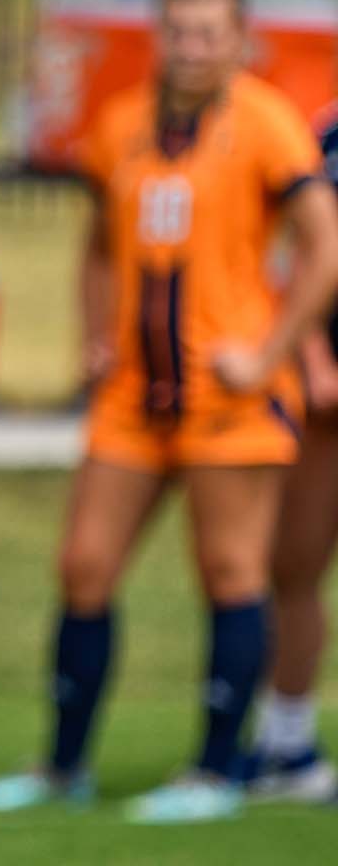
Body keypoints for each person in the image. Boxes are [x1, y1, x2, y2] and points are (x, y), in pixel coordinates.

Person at [0, 0, 338, 824]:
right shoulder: (121, 124)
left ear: (241, 41)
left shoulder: (268, 124)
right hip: (136, 395)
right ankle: (63, 768)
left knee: (231, 572)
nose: (194, 48)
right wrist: (96, 334)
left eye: (211, 33)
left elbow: (323, 248)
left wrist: (274, 350)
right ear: (159, 37)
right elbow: (99, 244)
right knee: (85, 566)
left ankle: (217, 770)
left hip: (230, 397)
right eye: (179, 31)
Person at [242, 104, 338, 803]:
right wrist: (311, 354)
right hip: (323, 393)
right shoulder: (322, 133)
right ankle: (286, 741)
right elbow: (293, 251)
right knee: (293, 565)